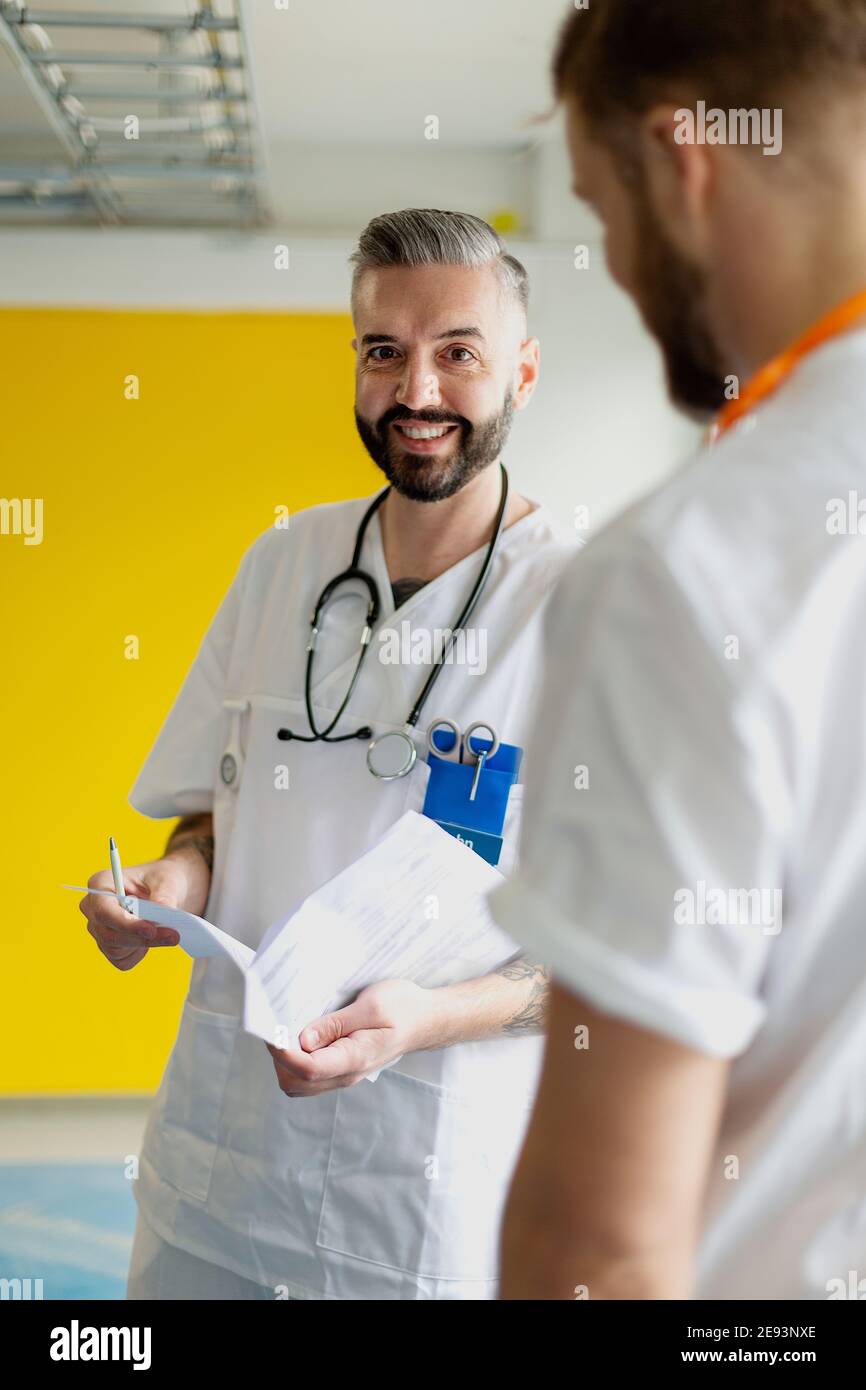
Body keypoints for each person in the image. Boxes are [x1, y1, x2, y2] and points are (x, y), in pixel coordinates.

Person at [79, 209, 577, 1300]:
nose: (417, 392)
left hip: (421, 1193)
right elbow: (211, 813)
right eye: (382, 351)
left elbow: (608, 940)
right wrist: (172, 883)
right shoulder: (280, 563)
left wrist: (430, 1018)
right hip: (219, 1166)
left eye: (458, 352)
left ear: (523, 371)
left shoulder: (585, 602)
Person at [490, 0, 866, 1300]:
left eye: (602, 213)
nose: (619, 263)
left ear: (684, 160)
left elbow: (596, 1248)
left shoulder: (688, 567)